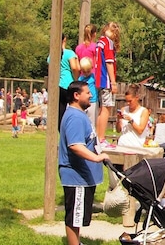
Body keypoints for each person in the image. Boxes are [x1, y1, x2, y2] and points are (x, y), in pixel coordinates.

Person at [58, 81, 111, 245]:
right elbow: (75, 146)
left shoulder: (79, 115)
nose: (90, 95)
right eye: (87, 93)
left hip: (82, 177)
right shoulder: (74, 116)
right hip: (76, 177)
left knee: (78, 214)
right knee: (74, 216)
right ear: (76, 95)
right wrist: (96, 158)